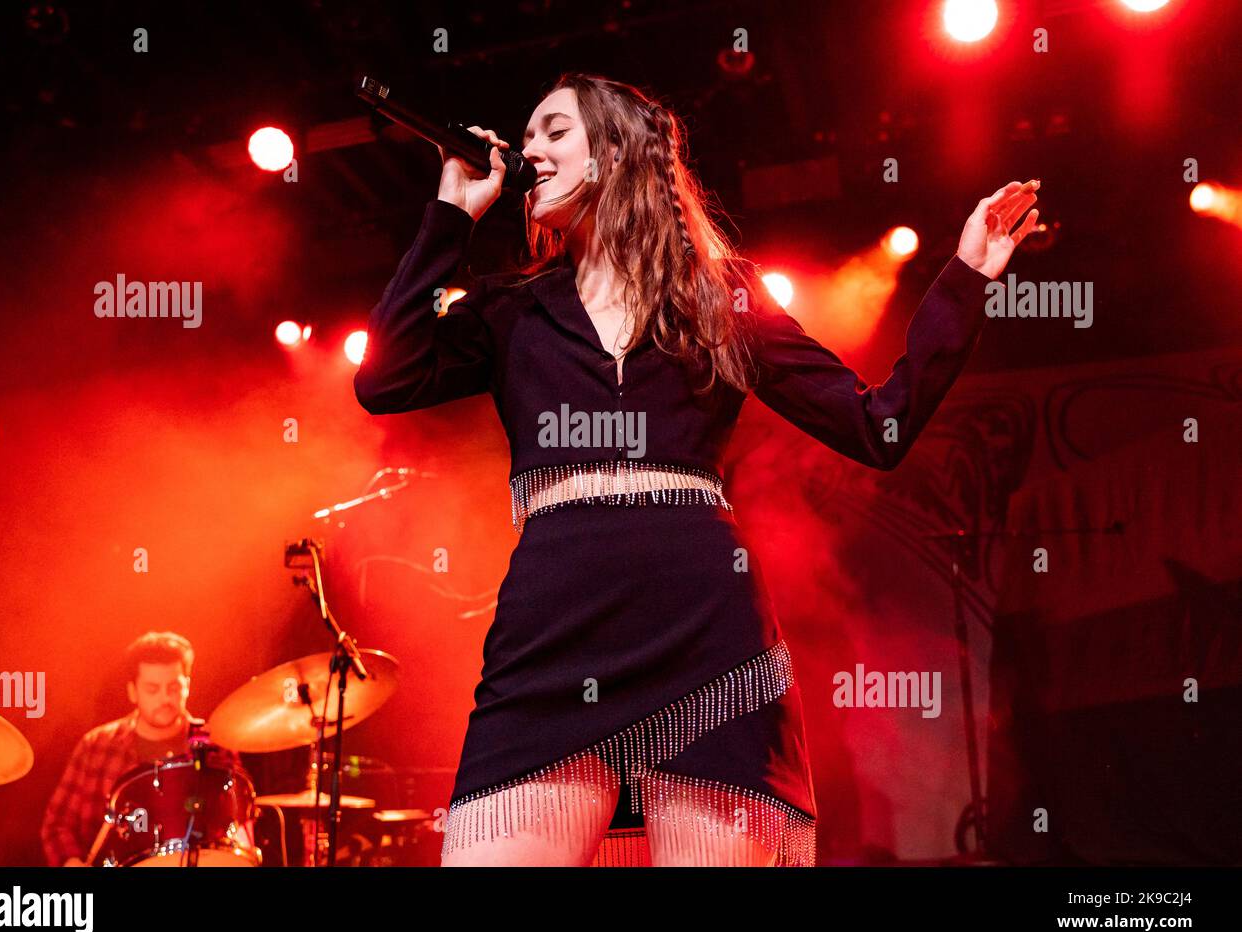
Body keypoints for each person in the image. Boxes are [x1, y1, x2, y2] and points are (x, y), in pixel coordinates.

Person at [354, 73, 1039, 866]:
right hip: (551, 634)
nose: (529, 149)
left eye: (553, 132)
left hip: (704, 631)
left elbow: (876, 425)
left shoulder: (720, 302)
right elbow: (386, 377)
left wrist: (966, 278)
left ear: (613, 152)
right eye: (529, 135)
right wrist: (450, 214)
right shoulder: (513, 313)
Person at [41, 631, 203, 866]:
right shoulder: (97, 747)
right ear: (132, 691)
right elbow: (57, 824)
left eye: (174, 688)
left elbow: (239, 832)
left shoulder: (215, 748)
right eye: (152, 689)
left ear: (187, 686)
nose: (165, 699)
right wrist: (72, 863)